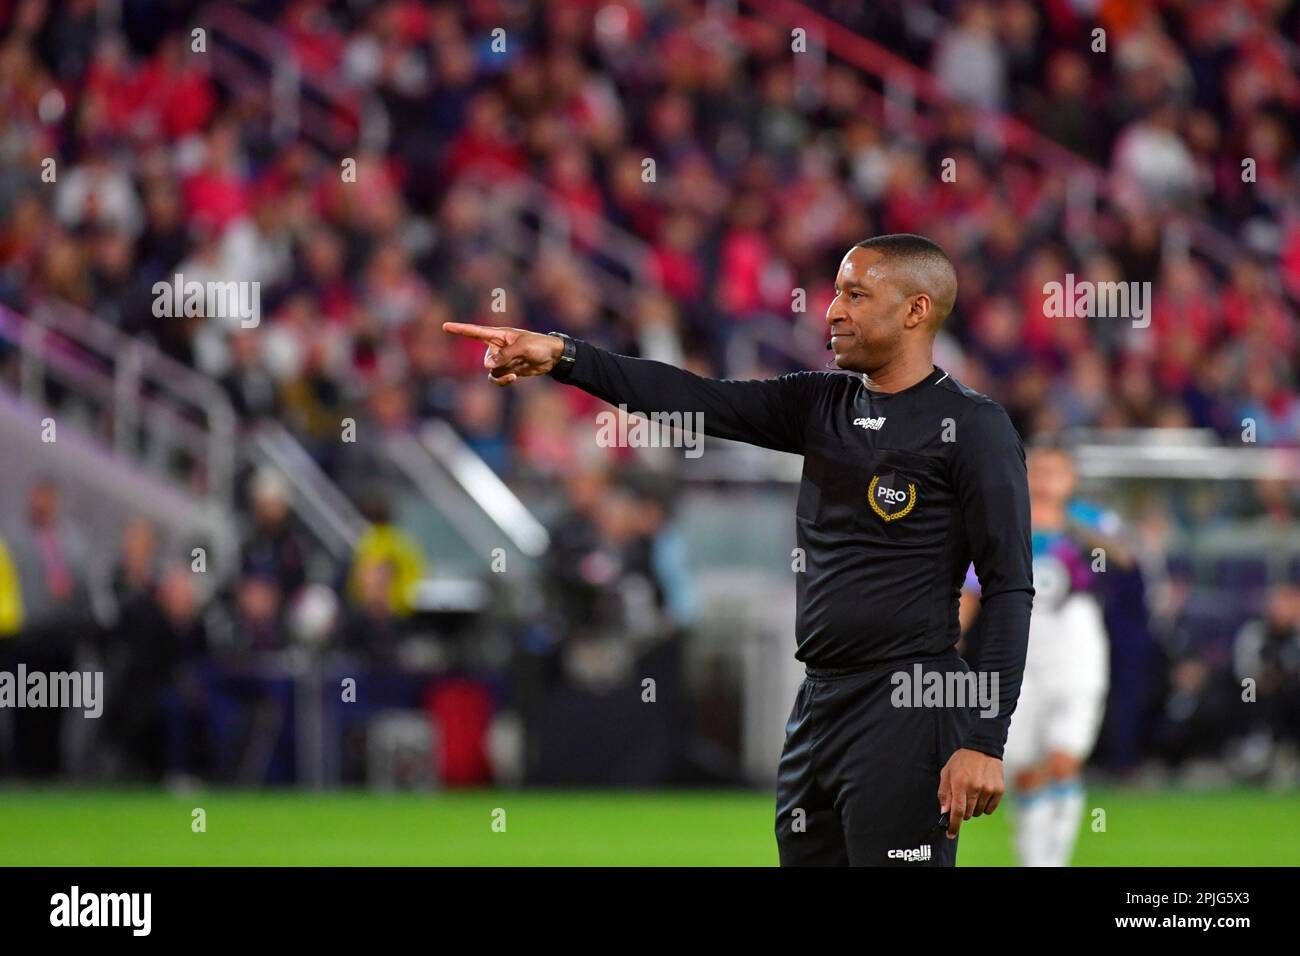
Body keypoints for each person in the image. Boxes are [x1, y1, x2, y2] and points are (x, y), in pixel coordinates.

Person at [445, 233, 1034, 866]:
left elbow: (1008, 588)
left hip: (910, 707)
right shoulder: (819, 403)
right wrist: (564, 356)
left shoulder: (974, 428)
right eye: (836, 292)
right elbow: (694, 400)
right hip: (819, 707)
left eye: (856, 295)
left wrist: (984, 740)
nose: (832, 310)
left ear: (917, 310)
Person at [960, 444, 1117, 866]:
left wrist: (1063, 521)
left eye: (1055, 473)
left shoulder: (1090, 524)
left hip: (1077, 653)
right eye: (1038, 472)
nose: (1045, 481)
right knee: (1025, 770)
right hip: (1019, 653)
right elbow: (971, 592)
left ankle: (1055, 860)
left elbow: (1125, 552)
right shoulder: (1002, 529)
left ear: (1071, 481)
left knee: (1065, 758)